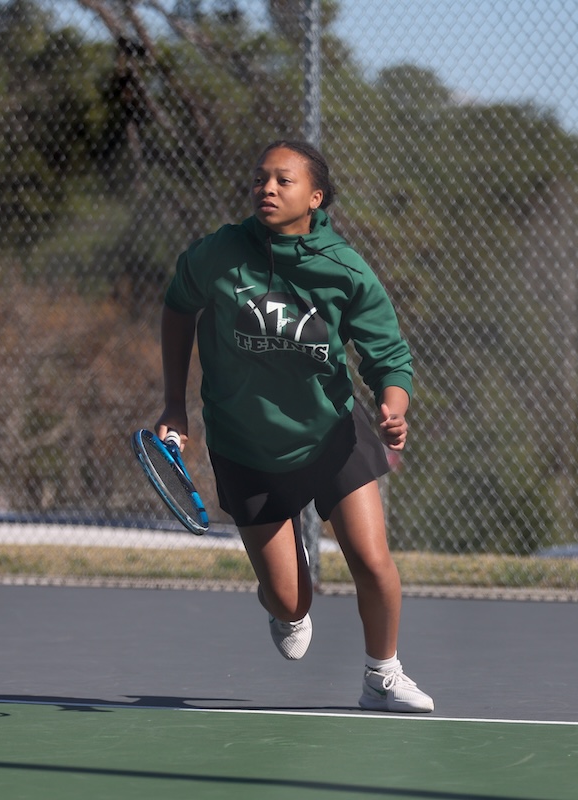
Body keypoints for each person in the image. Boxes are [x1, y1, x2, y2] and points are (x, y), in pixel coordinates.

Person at [154, 140, 433, 713]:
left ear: (315, 196)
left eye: (283, 181)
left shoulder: (343, 268)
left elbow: (388, 355)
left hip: (333, 434)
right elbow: (179, 306)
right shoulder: (219, 254)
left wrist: (394, 405)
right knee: (288, 600)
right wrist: (173, 406)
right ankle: (290, 600)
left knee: (373, 561)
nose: (267, 189)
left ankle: (382, 676)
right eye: (260, 179)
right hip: (245, 445)